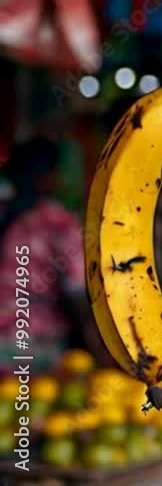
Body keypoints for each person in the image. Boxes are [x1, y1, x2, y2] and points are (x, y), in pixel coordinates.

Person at [0, 138, 104, 372]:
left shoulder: (6, 214)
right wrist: (98, 346)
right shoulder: (57, 221)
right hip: (37, 343)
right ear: (47, 176)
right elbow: (76, 292)